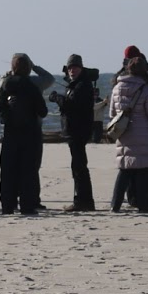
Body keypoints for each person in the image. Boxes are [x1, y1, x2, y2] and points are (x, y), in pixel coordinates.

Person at [108, 54, 148, 211]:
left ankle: (115, 204)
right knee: (143, 169)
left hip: (124, 133)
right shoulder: (146, 89)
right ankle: (143, 204)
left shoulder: (117, 87)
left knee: (124, 170)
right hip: (145, 134)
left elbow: (112, 114)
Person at [0, 53, 52, 214]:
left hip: (11, 132)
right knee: (29, 171)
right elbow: (43, 110)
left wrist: (6, 118)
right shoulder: (32, 86)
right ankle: (27, 205)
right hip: (30, 133)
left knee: (8, 170)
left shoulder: (6, 84)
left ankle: (7, 204)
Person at [49, 54, 99, 212]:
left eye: (75, 67)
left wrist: (56, 97)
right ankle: (82, 200)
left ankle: (83, 201)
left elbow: (71, 105)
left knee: (79, 167)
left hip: (78, 131)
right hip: (74, 131)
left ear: (81, 68)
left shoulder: (83, 85)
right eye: (70, 68)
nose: (72, 70)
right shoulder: (76, 84)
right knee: (78, 166)